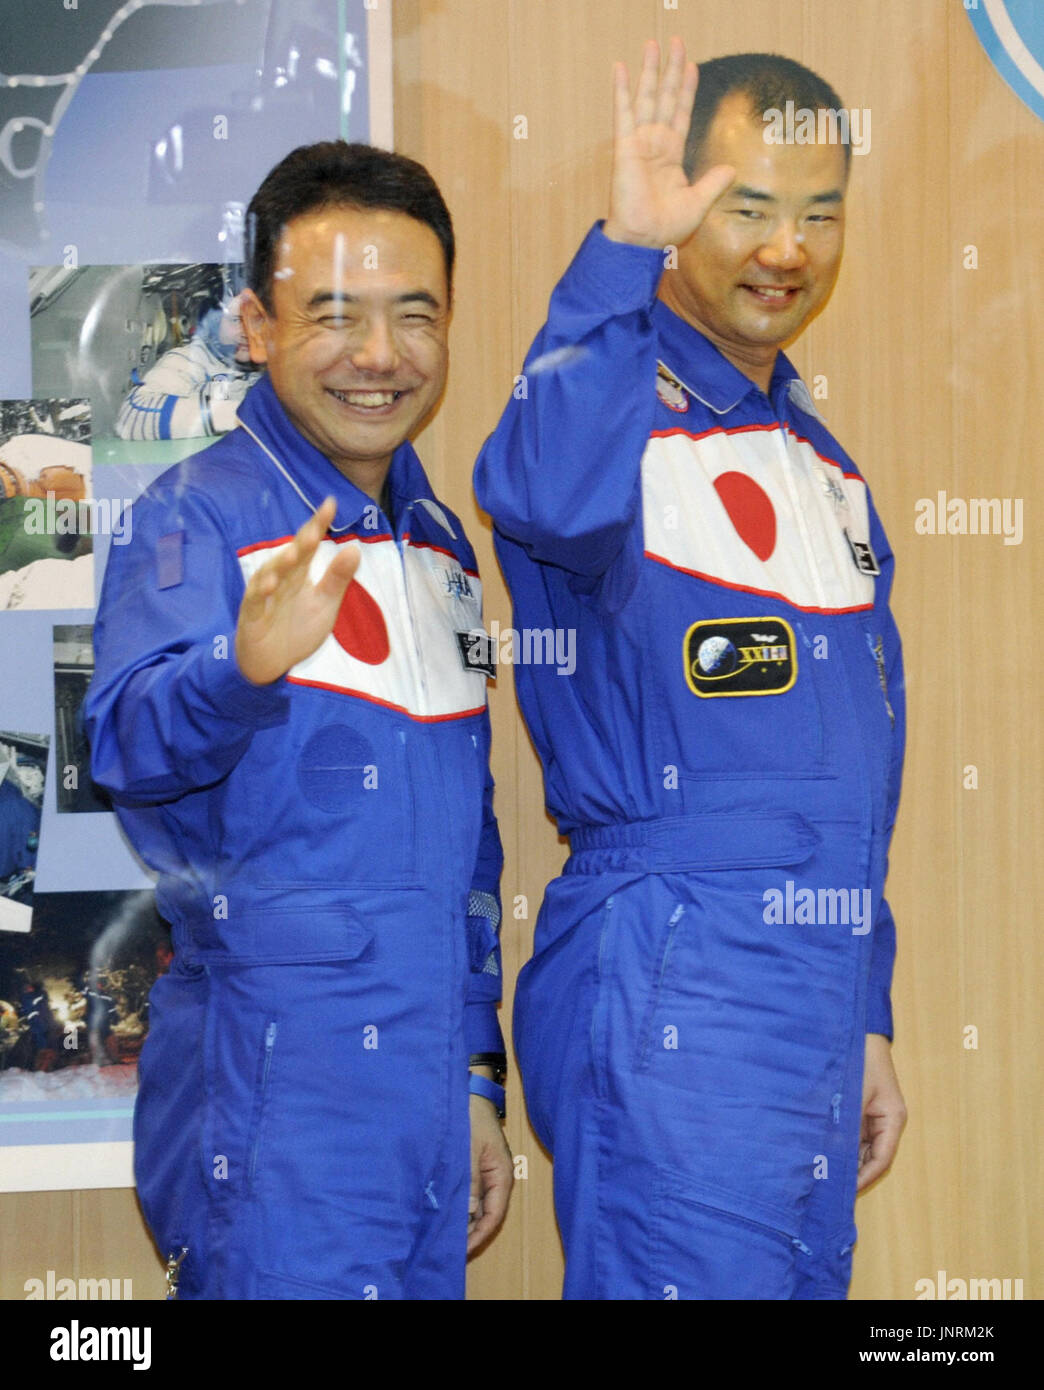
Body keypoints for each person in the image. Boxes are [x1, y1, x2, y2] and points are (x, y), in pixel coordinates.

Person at [474, 41, 907, 1299]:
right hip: (674, 979)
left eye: (819, 213)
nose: (787, 248)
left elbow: (851, 785)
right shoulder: (618, 411)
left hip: (806, 1005)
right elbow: (534, 487)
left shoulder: (824, 468)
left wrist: (862, 1009)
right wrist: (620, 247)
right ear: (682, 209)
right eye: (747, 206)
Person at [87, 141, 511, 1300]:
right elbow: (122, 743)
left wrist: (475, 1081)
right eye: (334, 315)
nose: (380, 356)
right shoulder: (194, 516)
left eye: (414, 315)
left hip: (423, 1095)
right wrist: (238, 668)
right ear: (258, 326)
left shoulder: (438, 541)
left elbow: (469, 842)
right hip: (272, 1096)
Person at [113, 290, 262, 441]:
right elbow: (133, 415)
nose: (247, 332)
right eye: (236, 321)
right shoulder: (189, 359)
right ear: (214, 325)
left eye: (257, 321)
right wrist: (244, 416)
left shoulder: (272, 366)